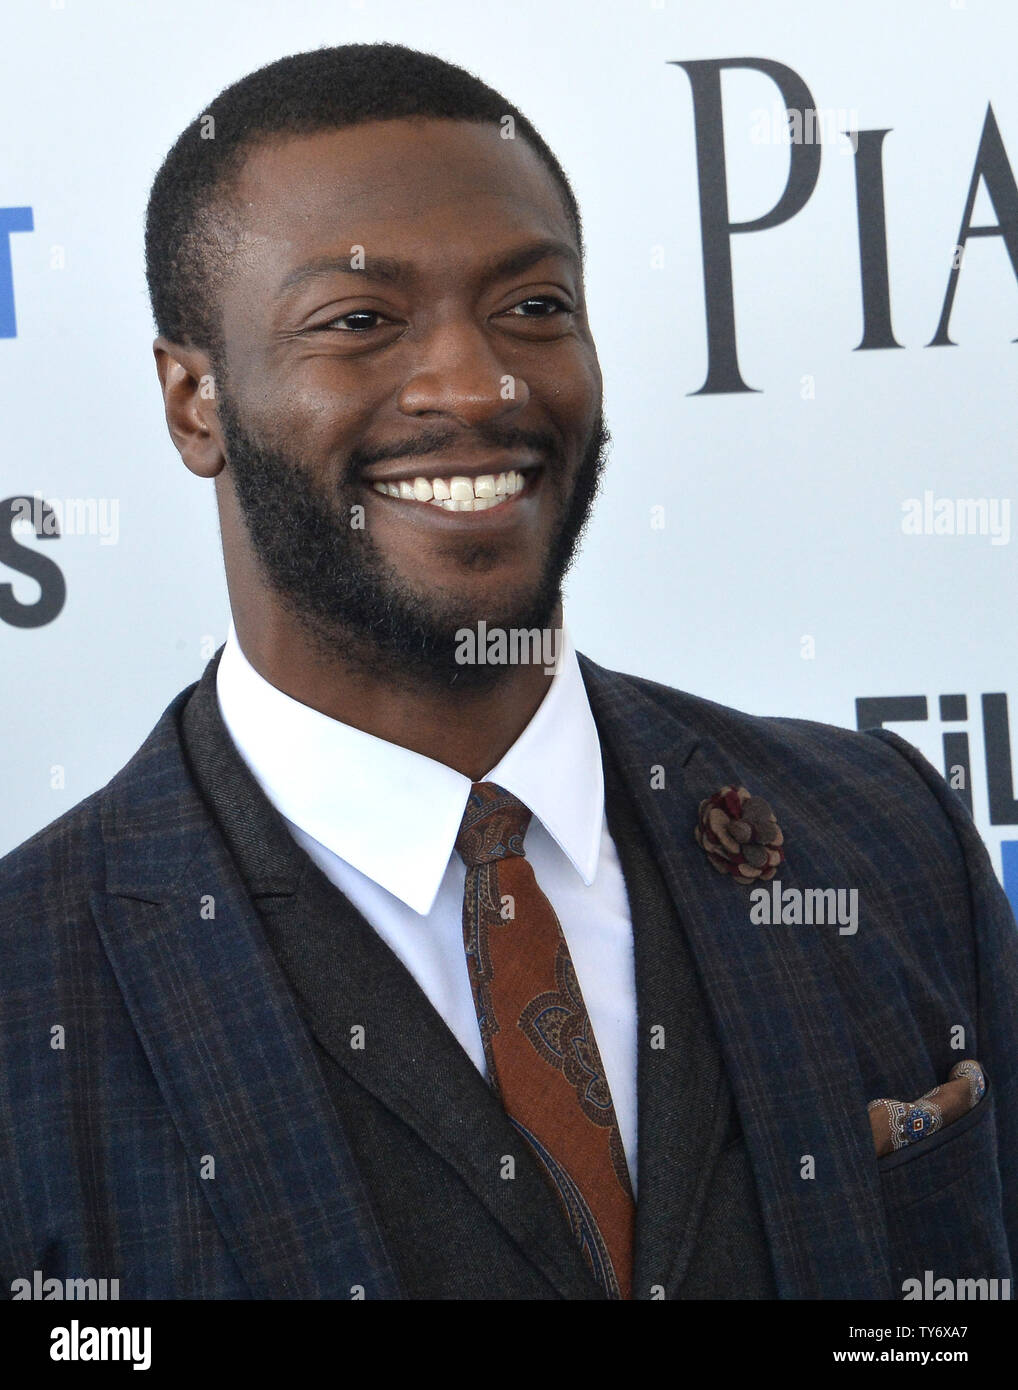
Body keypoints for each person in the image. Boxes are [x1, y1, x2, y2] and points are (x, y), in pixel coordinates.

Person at [1, 42, 1015, 1302]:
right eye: (360, 322)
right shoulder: (27, 986)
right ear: (195, 401)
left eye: (532, 308)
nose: (473, 386)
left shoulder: (880, 837)